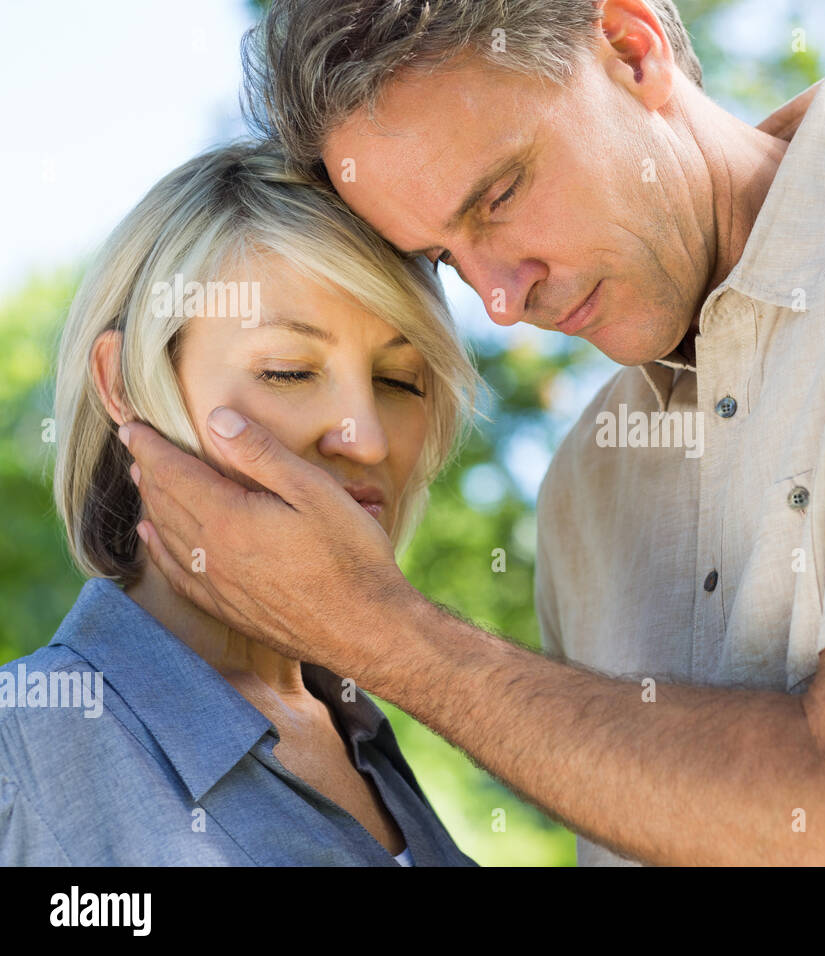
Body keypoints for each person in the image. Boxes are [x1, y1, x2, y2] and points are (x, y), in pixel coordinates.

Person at [122, 0, 825, 865]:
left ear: (630, 45)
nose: (500, 299)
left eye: (499, 195)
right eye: (445, 260)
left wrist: (375, 628)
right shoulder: (582, 492)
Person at [0, 141, 478, 866]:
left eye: (402, 381)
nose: (368, 438)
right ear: (125, 382)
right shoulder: (19, 749)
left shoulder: (363, 739)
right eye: (288, 371)